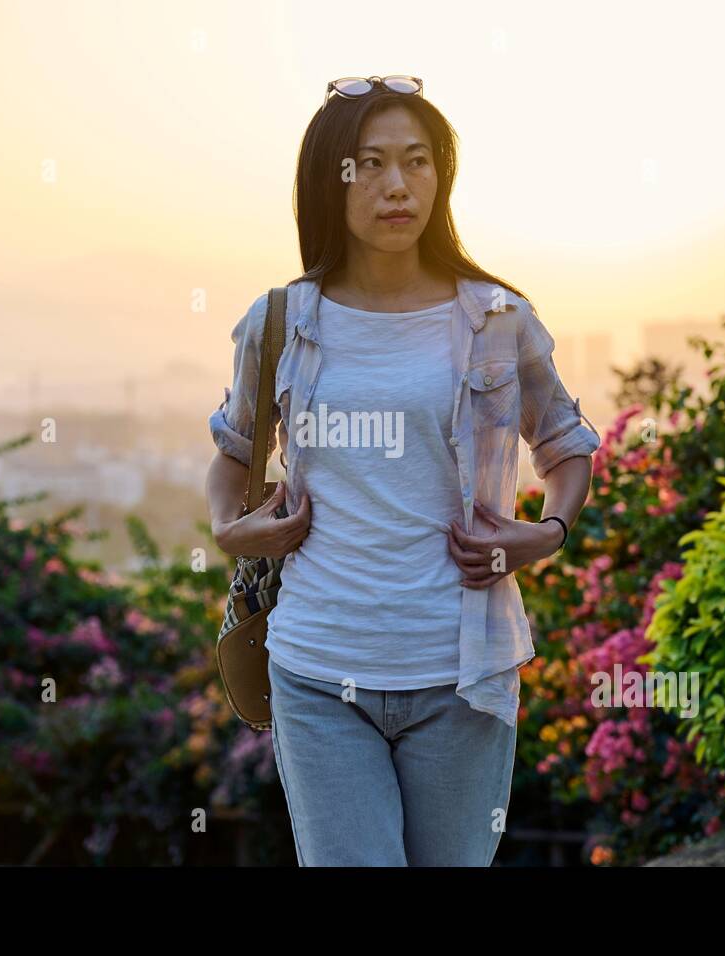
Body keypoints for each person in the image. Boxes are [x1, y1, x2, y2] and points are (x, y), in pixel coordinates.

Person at [205, 75, 600, 866]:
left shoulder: (496, 319)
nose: (397, 186)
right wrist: (229, 527)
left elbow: (565, 442)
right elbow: (233, 454)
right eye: (370, 164)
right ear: (331, 180)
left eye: (417, 163)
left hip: (464, 674)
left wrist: (547, 532)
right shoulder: (282, 319)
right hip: (318, 670)